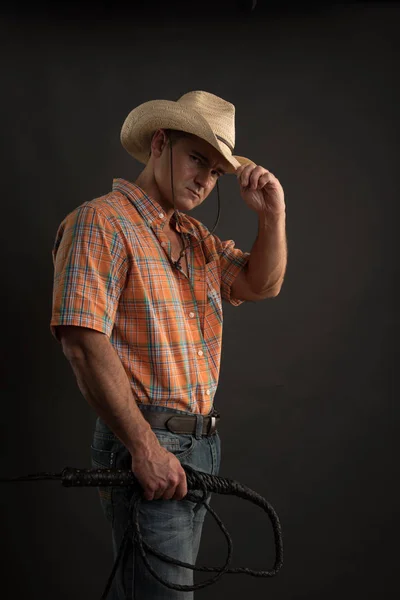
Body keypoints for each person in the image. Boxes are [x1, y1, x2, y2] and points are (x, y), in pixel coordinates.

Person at [50, 90, 287, 599]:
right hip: (150, 443)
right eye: (197, 158)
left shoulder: (196, 237)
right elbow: (82, 341)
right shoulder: (102, 221)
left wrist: (272, 214)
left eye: (216, 172)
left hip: (199, 446)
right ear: (160, 142)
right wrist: (144, 448)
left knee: (154, 591)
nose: (204, 179)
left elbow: (260, 284)